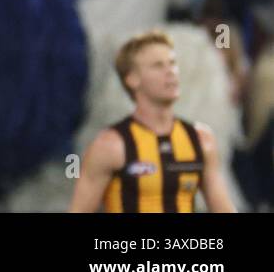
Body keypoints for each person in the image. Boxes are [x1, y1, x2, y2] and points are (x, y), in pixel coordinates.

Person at [69, 30, 236, 213]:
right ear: (132, 79)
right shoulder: (109, 145)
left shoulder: (201, 140)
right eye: (158, 66)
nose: (170, 72)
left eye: (172, 63)